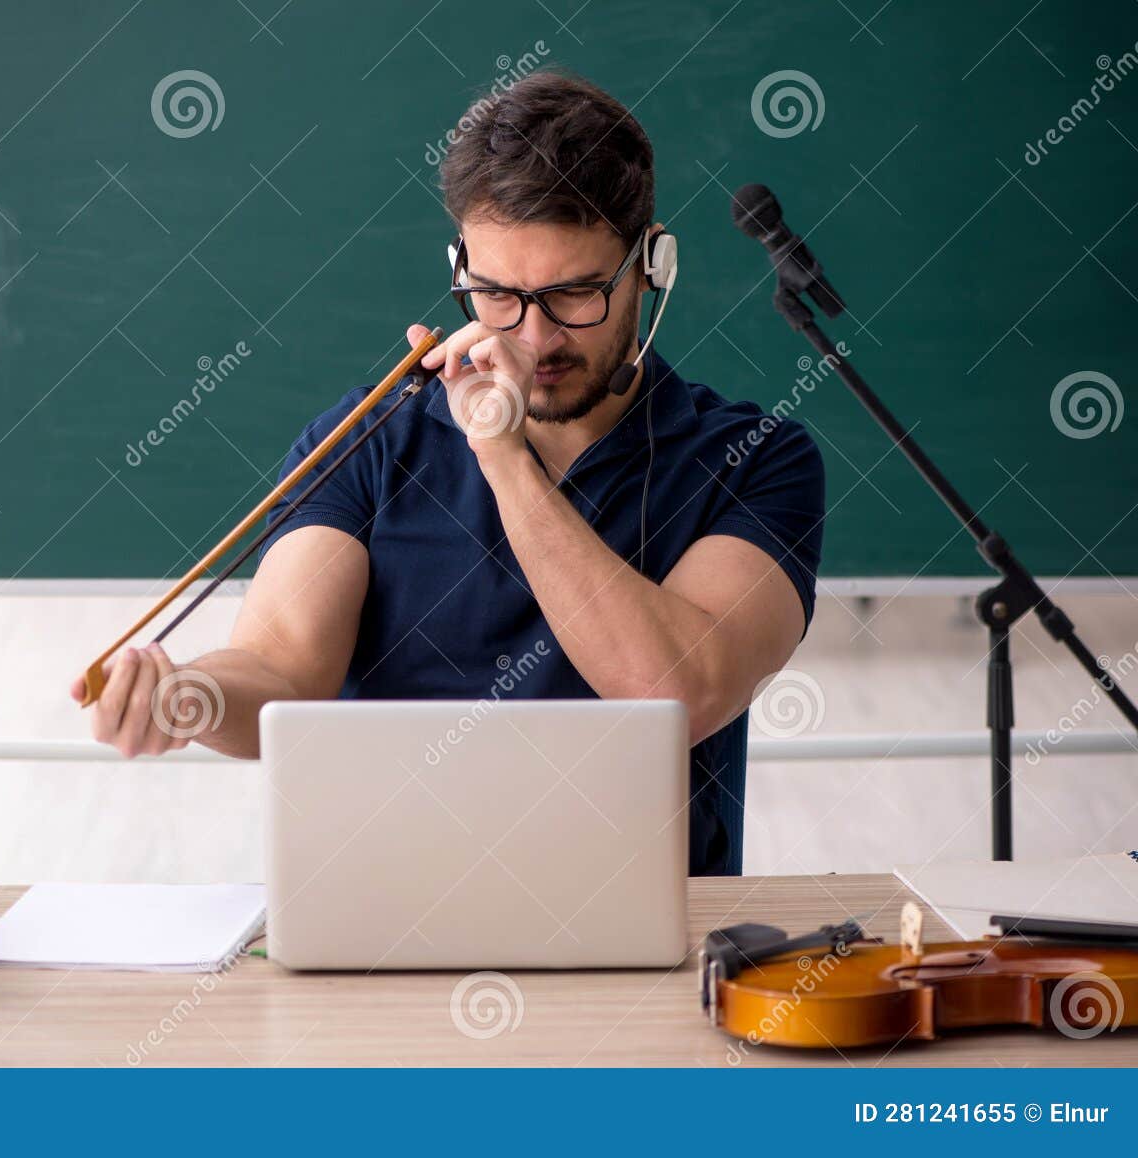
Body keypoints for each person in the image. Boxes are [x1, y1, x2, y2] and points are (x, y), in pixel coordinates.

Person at [71, 70, 825, 875]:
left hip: (650, 941)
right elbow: (284, 665)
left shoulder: (757, 459)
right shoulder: (366, 439)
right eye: (497, 294)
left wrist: (504, 462)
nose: (534, 339)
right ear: (460, 265)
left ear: (651, 266)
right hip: (388, 913)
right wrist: (188, 694)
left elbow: (676, 691)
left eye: (573, 295)